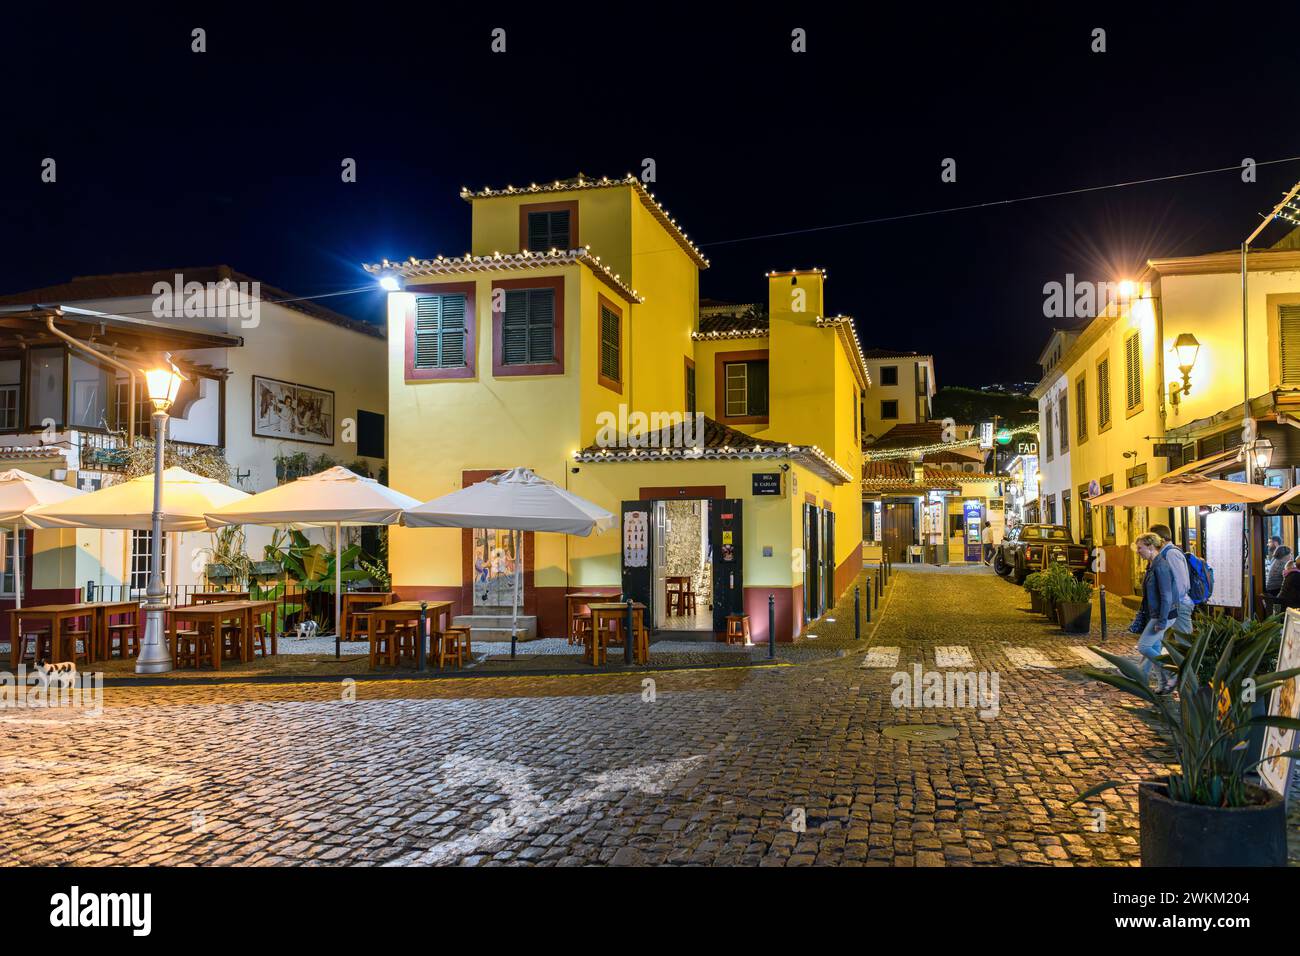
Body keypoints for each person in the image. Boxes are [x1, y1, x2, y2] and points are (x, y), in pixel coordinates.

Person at [1132, 532, 1186, 694]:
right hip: (1156, 614)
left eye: (1140, 548)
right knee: (1154, 647)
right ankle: (1163, 686)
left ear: (1150, 547)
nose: (1138, 551)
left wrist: (1162, 620)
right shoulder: (1152, 565)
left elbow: (1166, 595)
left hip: (1163, 615)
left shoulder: (1161, 566)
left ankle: (1173, 673)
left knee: (1144, 646)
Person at [1149, 524, 1193, 635]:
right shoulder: (1164, 553)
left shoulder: (1171, 553)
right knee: (1159, 640)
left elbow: (1181, 584)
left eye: (1151, 539)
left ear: (1161, 539)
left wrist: (1170, 603)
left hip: (1179, 605)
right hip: (1172, 605)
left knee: (1184, 643)